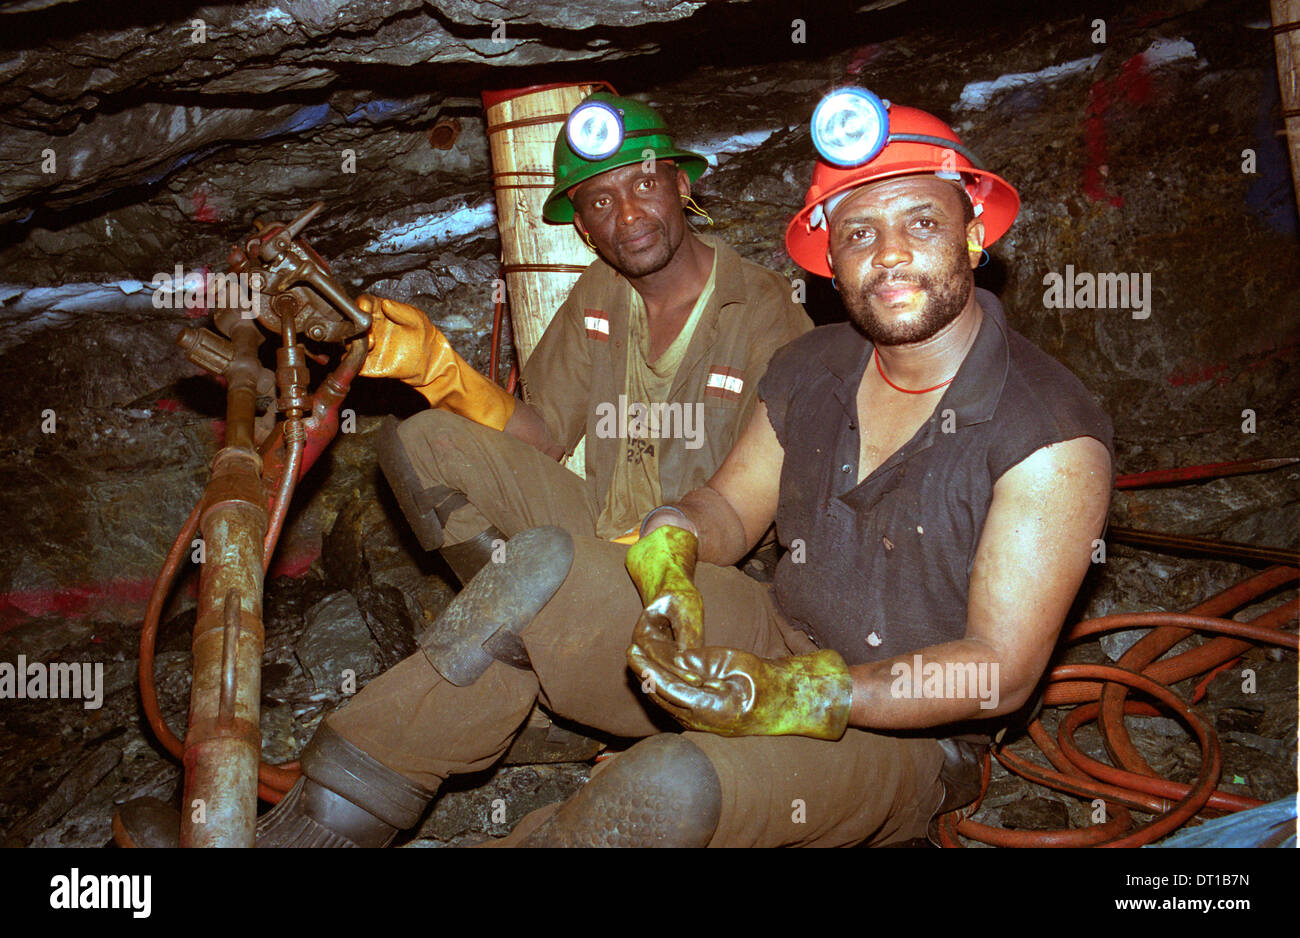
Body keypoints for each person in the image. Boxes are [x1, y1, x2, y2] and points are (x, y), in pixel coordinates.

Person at [236, 92, 1115, 848]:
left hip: (916, 739)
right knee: (533, 573)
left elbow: (994, 673)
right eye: (859, 232)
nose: (888, 255)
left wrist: (796, 694)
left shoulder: (1048, 432)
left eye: (921, 222)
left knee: (669, 789)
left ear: (974, 233)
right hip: (773, 631)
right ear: (829, 254)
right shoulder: (814, 371)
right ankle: (318, 824)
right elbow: (730, 512)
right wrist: (672, 550)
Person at [363, 91, 811, 584]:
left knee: (585, 597)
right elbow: (545, 437)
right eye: (601, 201)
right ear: (582, 226)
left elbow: (768, 494)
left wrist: (660, 544)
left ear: (681, 184)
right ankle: (519, 598)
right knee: (423, 440)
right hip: (599, 536)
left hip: (708, 560)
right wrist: (437, 369)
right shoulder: (600, 290)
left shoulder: (764, 305)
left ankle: (550, 607)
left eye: (643, 183)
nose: (628, 215)